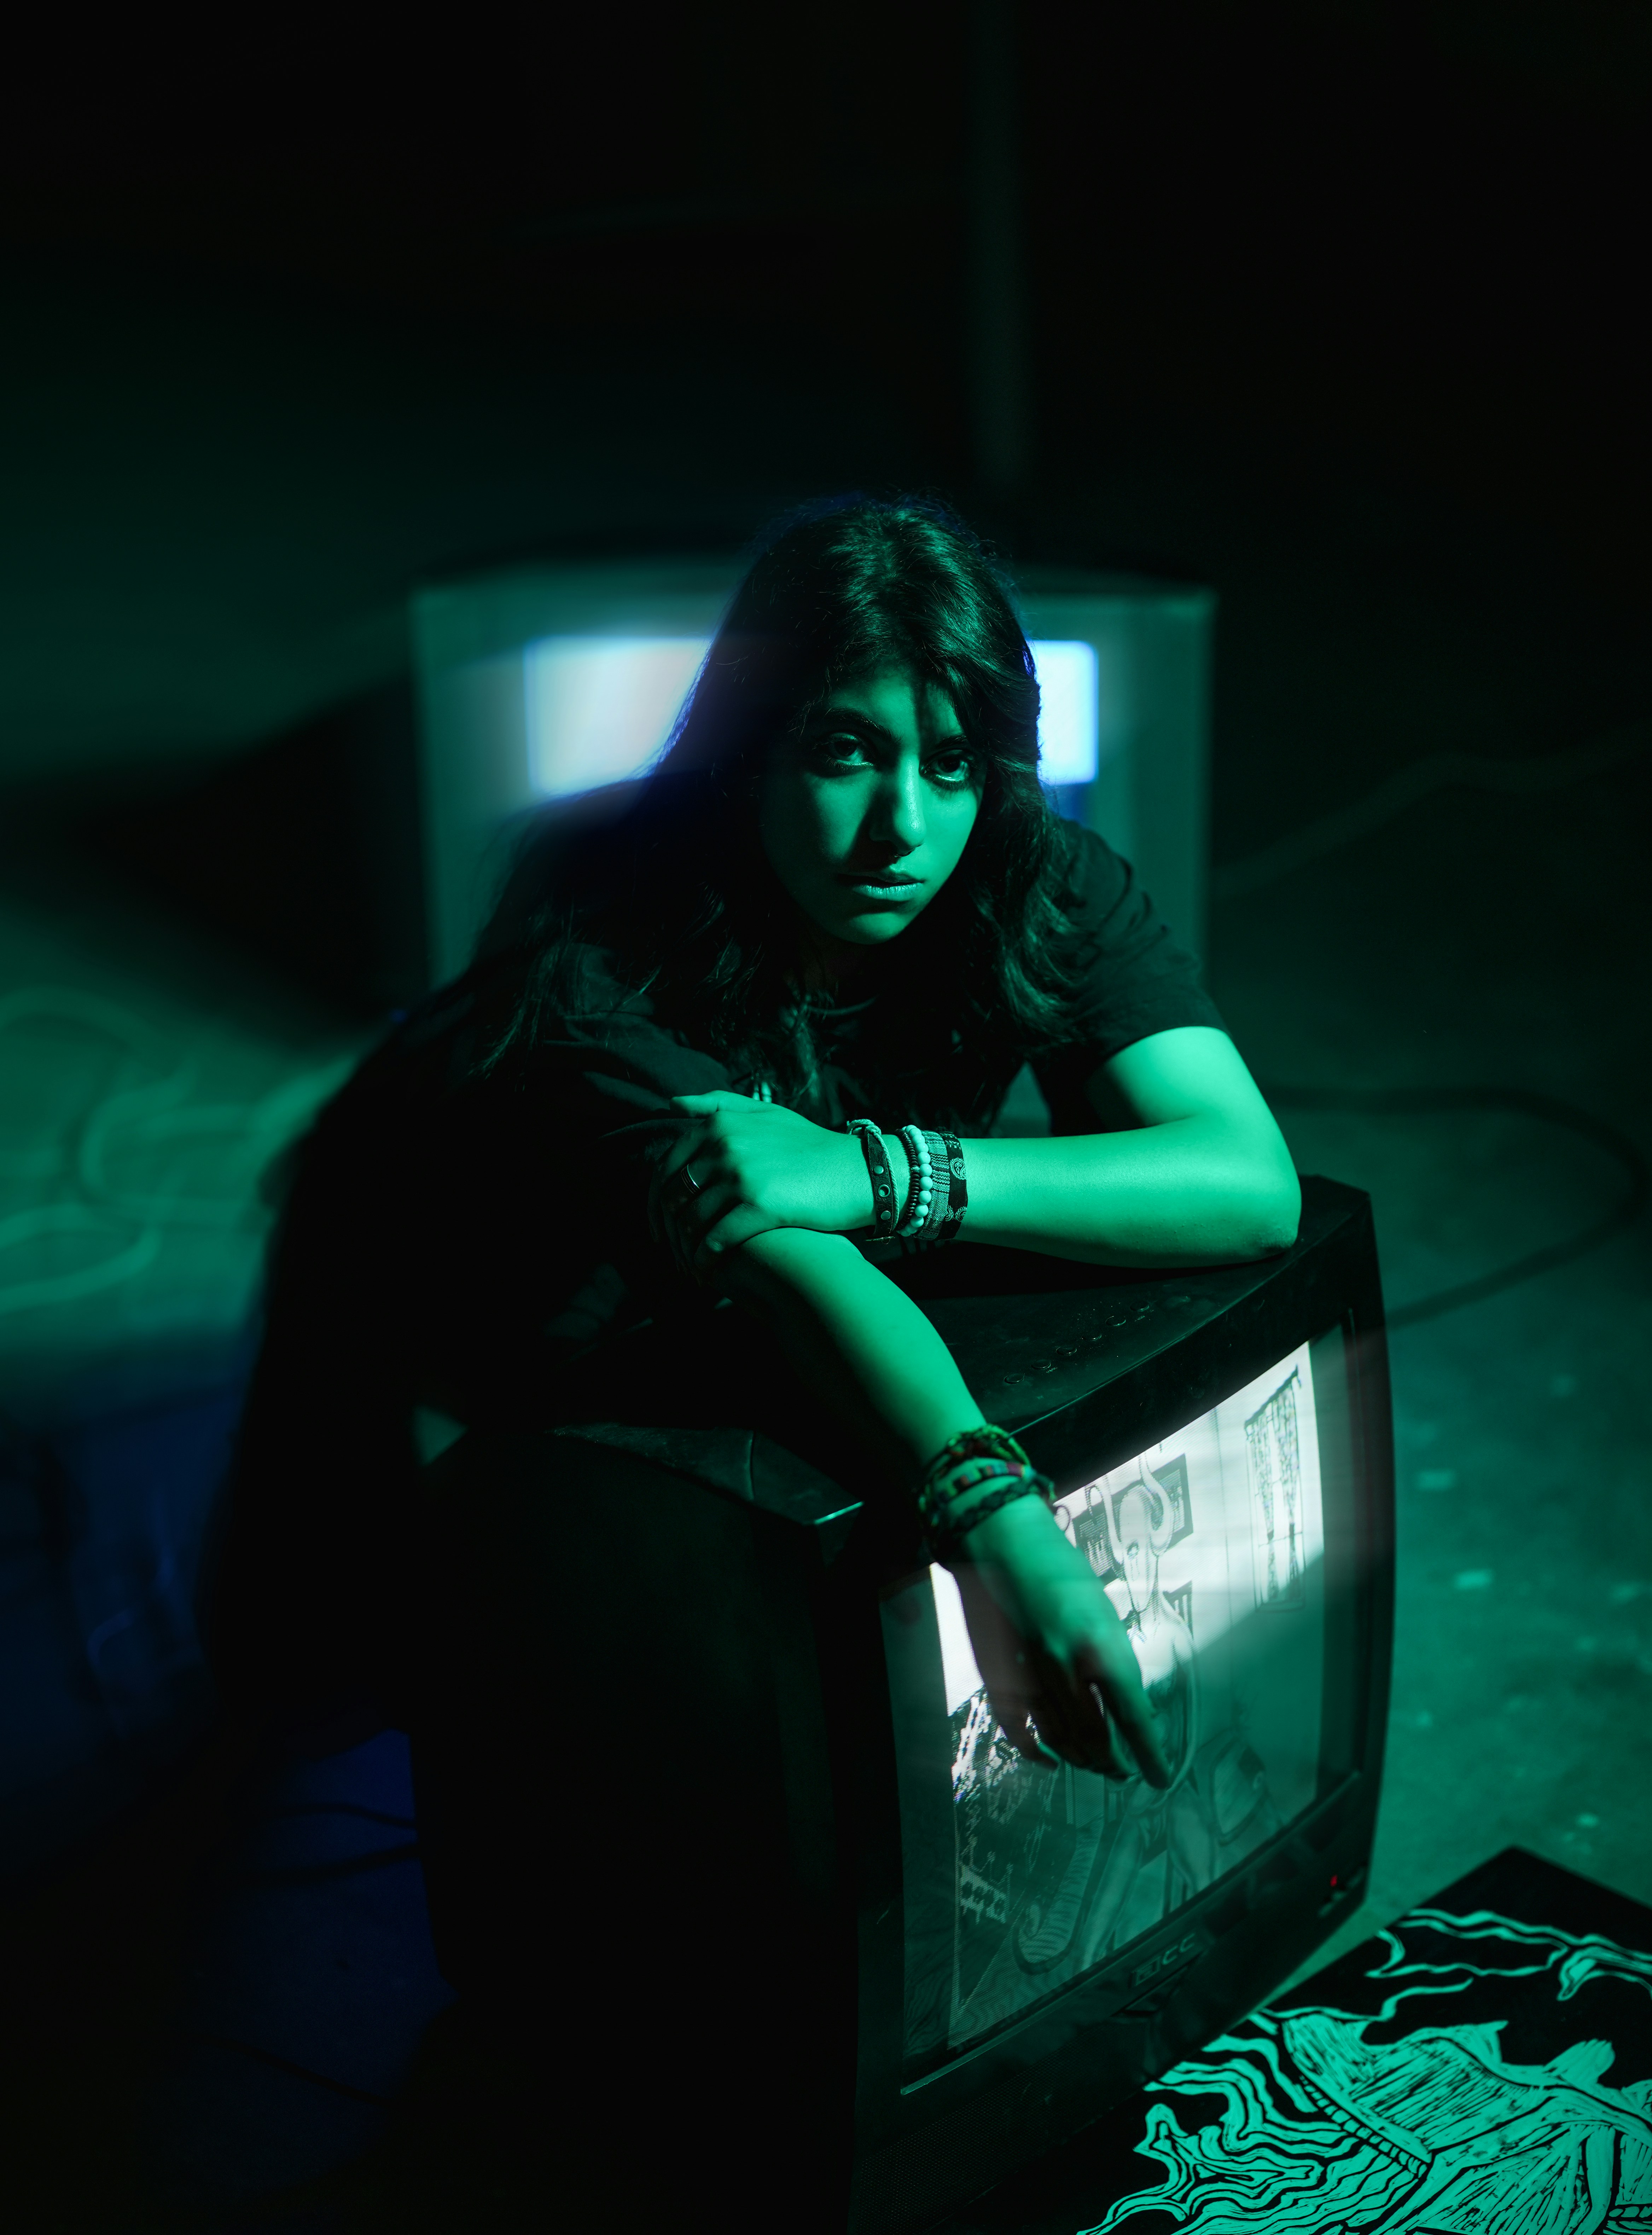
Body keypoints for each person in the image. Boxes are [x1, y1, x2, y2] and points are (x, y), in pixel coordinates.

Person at [203, 488, 1301, 1954]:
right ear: (746, 750)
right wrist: (1009, 1531)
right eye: (844, 750)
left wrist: (881, 1169)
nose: (902, 826)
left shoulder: (1021, 873)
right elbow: (787, 1270)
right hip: (465, 1256)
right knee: (320, 1690)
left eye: (953, 761)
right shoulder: (595, 952)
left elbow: (1246, 1182)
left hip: (761, 1253)